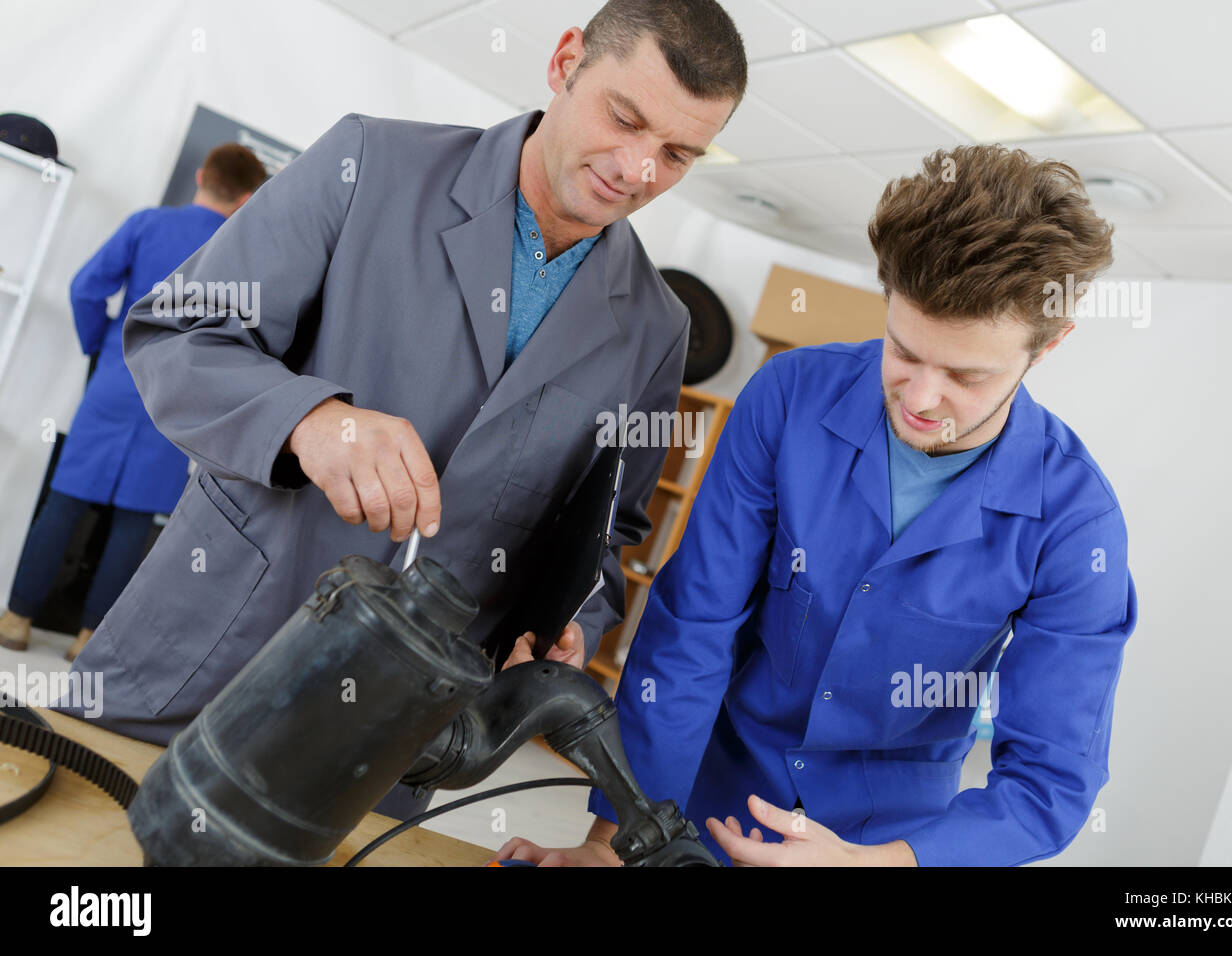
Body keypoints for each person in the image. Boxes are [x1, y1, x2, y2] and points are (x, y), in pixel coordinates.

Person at [54, 0, 747, 819]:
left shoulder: (656, 329)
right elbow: (179, 333)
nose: (638, 171)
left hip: (391, 734)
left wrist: (569, 626)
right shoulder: (370, 163)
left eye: (676, 155)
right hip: (209, 648)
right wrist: (310, 420)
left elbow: (610, 534)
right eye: (624, 119)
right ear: (565, 63)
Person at [495, 145, 1139, 867]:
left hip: (890, 838)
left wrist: (874, 864)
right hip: (701, 803)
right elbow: (691, 636)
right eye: (904, 350)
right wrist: (614, 842)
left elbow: (1050, 780)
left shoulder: (1078, 522)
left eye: (966, 375)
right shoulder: (789, 397)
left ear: (1046, 347)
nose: (922, 400)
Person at [0, 144, 267, 660]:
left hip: (116, 380)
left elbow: (85, 288)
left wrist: (101, 344)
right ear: (247, 198)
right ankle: (88, 640)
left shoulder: (148, 222)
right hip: (183, 396)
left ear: (201, 175)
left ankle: (16, 620)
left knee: (65, 501)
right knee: (136, 520)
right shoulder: (242, 250)